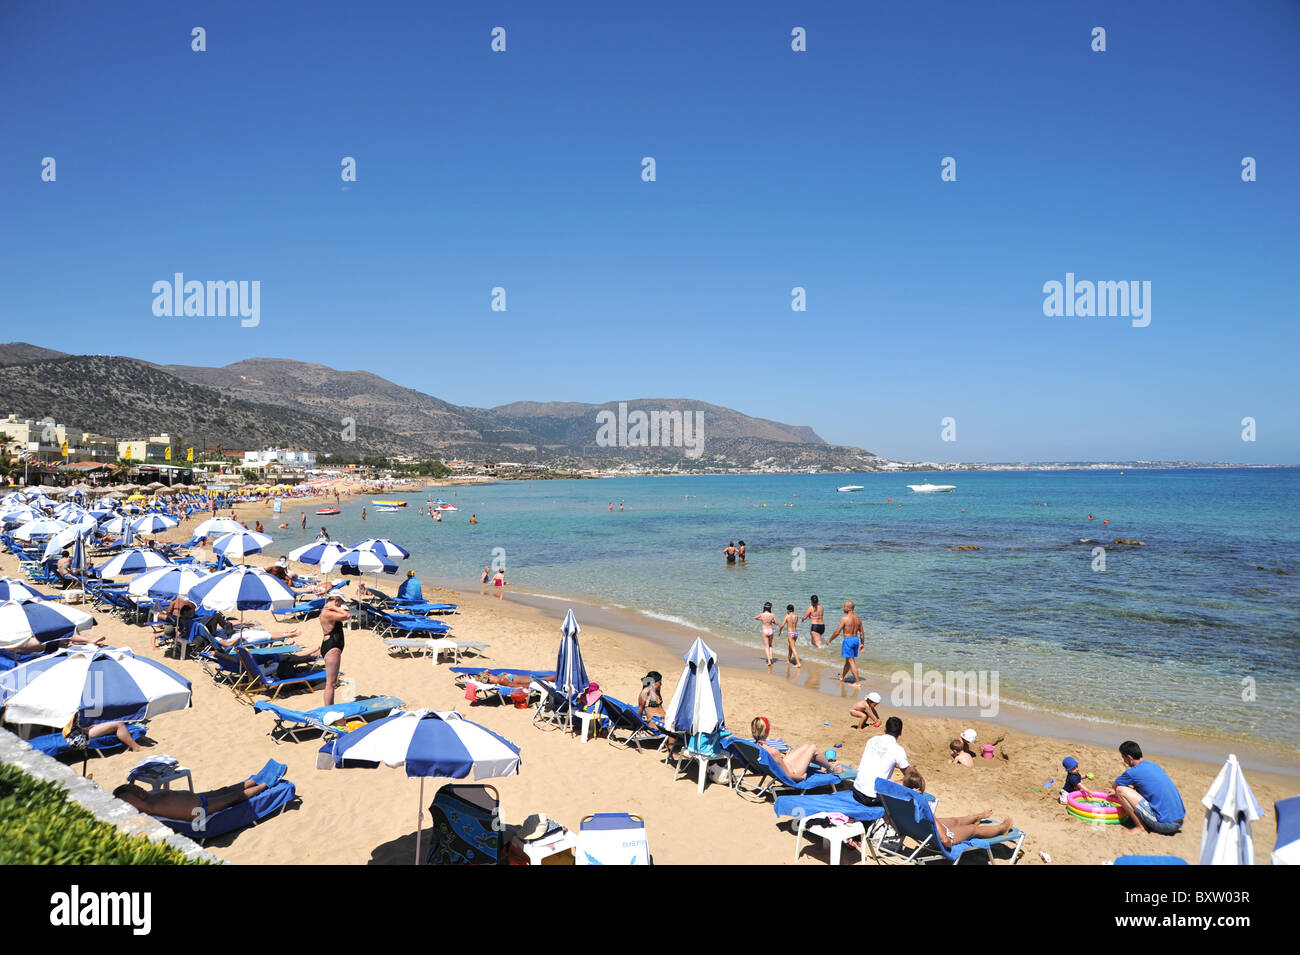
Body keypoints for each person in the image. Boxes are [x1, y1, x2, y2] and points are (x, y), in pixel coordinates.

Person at [899, 770, 1016, 849]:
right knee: (974, 829)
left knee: (954, 821)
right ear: (919, 790)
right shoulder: (923, 806)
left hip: (919, 829)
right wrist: (946, 841)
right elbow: (945, 840)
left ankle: (976, 817)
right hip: (936, 836)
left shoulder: (897, 800)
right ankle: (1002, 828)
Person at [1106, 740, 1185, 835]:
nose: (1124, 761)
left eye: (1124, 758)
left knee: (1121, 791)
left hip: (1165, 825)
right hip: (1179, 821)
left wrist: (1114, 792)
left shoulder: (1132, 772)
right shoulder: (1153, 766)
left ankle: (1141, 827)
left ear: (1129, 758)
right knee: (1130, 789)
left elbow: (1115, 786)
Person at [113, 777, 270, 822]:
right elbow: (122, 798)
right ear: (129, 798)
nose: (138, 788)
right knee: (234, 797)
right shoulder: (145, 805)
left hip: (198, 798)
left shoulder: (147, 796)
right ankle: (265, 785)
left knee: (224, 790)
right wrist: (123, 795)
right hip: (198, 809)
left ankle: (254, 780)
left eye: (136, 787)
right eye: (134, 790)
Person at [751, 716, 843, 781]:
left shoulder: (753, 747)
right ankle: (831, 768)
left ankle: (824, 765)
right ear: (767, 731)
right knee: (812, 748)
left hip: (786, 765)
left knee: (806, 746)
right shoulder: (773, 752)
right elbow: (788, 776)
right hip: (794, 772)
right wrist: (801, 777)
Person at [853, 716, 909, 807]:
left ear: (885, 729)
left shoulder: (872, 740)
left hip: (856, 791)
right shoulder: (898, 750)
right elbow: (909, 775)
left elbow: (880, 757)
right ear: (901, 733)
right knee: (903, 783)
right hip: (871, 797)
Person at [316, 595, 349, 707]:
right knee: (331, 683)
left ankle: (330, 708)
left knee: (331, 683)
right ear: (336, 601)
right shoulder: (328, 613)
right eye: (340, 603)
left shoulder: (328, 612)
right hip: (332, 647)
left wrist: (332, 606)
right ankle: (329, 710)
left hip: (333, 646)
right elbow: (346, 615)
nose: (341, 606)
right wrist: (333, 606)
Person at [827, 600, 863, 683]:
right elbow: (862, 632)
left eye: (844, 606)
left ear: (849, 608)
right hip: (856, 640)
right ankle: (842, 676)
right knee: (848, 661)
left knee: (851, 661)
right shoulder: (858, 619)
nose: (843, 608)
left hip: (848, 640)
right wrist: (862, 643)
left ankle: (857, 682)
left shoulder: (844, 619)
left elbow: (837, 632)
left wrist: (830, 639)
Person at [754, 601, 779, 666]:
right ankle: (771, 658)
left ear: (764, 607)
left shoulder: (762, 614)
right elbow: (777, 623)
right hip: (770, 631)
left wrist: (761, 619)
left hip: (765, 630)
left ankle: (769, 661)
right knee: (770, 645)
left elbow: (755, 618)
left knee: (766, 646)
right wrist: (772, 621)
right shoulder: (772, 615)